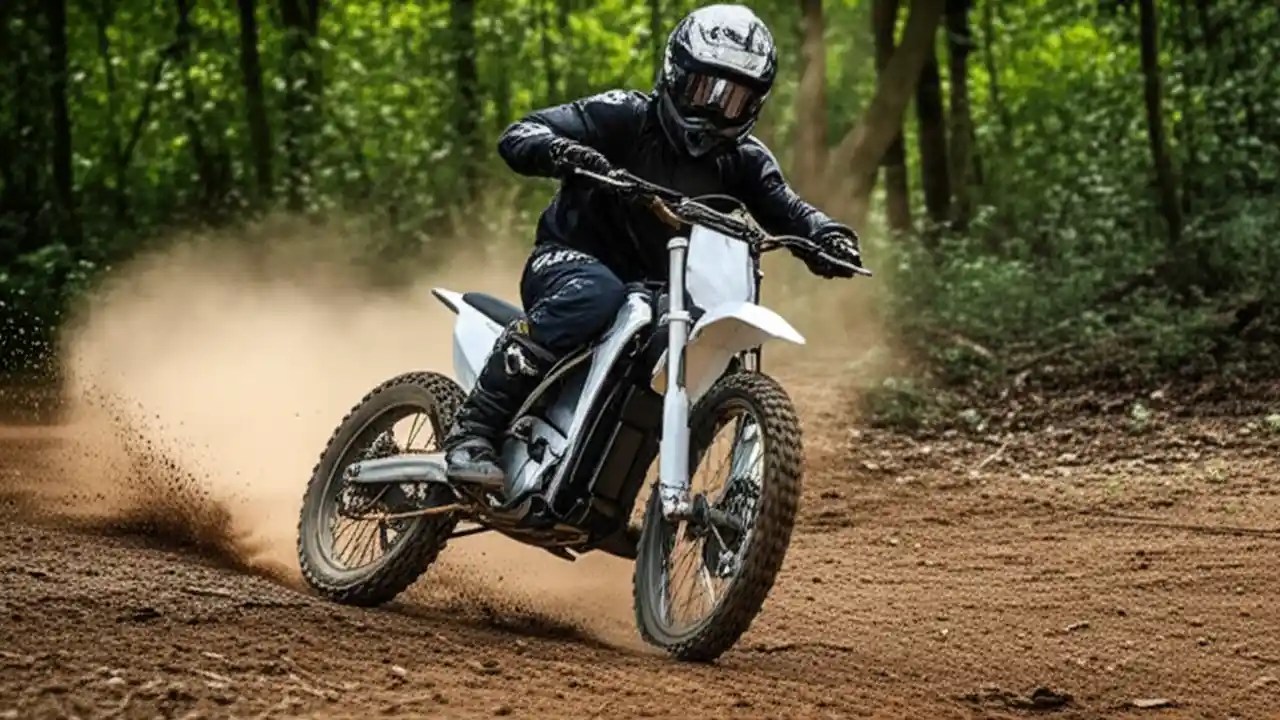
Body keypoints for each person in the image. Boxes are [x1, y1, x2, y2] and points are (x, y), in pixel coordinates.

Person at [442, 3, 864, 486]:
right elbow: (521, 132)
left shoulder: (745, 160)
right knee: (596, 296)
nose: (714, 108)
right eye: (705, 88)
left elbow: (789, 209)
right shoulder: (625, 115)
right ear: (676, 73)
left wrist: (826, 236)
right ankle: (472, 431)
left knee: (691, 341)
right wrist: (565, 151)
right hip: (570, 261)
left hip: (665, 296)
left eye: (733, 98)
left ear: (754, 105)